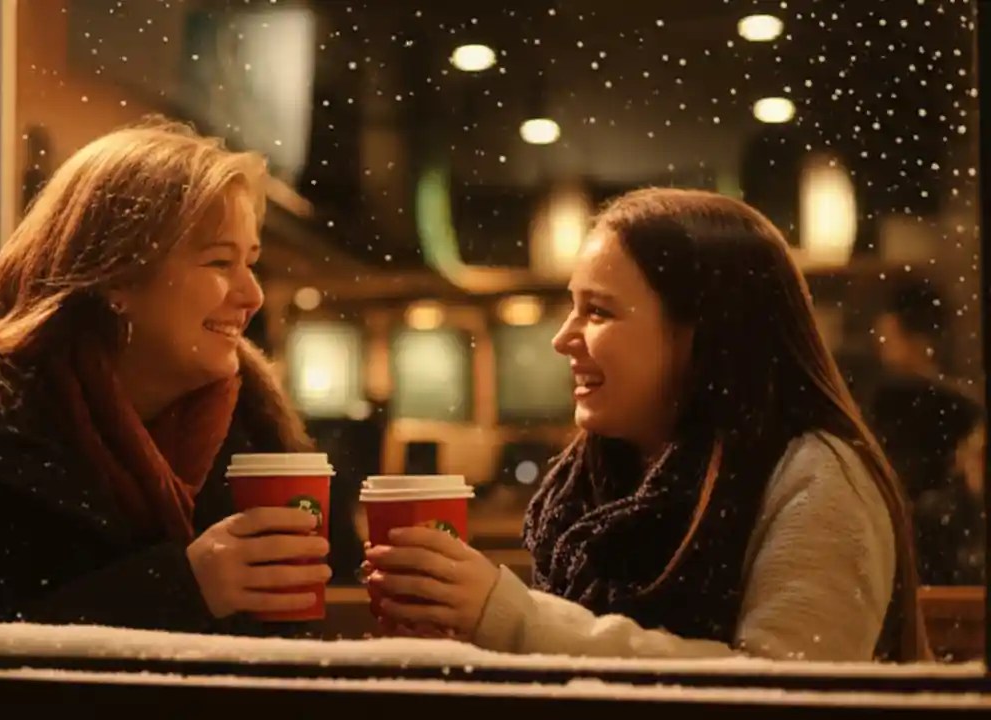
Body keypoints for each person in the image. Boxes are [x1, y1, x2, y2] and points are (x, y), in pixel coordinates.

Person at [365, 188, 929, 662]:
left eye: (599, 311)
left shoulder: (820, 478)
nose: (563, 338)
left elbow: (780, 693)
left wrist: (508, 617)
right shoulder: (593, 478)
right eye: (573, 307)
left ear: (704, 333)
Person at [0, 117, 333, 634]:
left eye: (251, 263)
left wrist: (418, 606)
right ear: (116, 278)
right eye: (220, 263)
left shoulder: (258, 447)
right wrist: (178, 590)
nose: (252, 296)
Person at [869, 276, 985, 585]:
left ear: (917, 340)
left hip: (914, 546)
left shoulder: (892, 401)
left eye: (889, 338)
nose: (882, 348)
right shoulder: (965, 404)